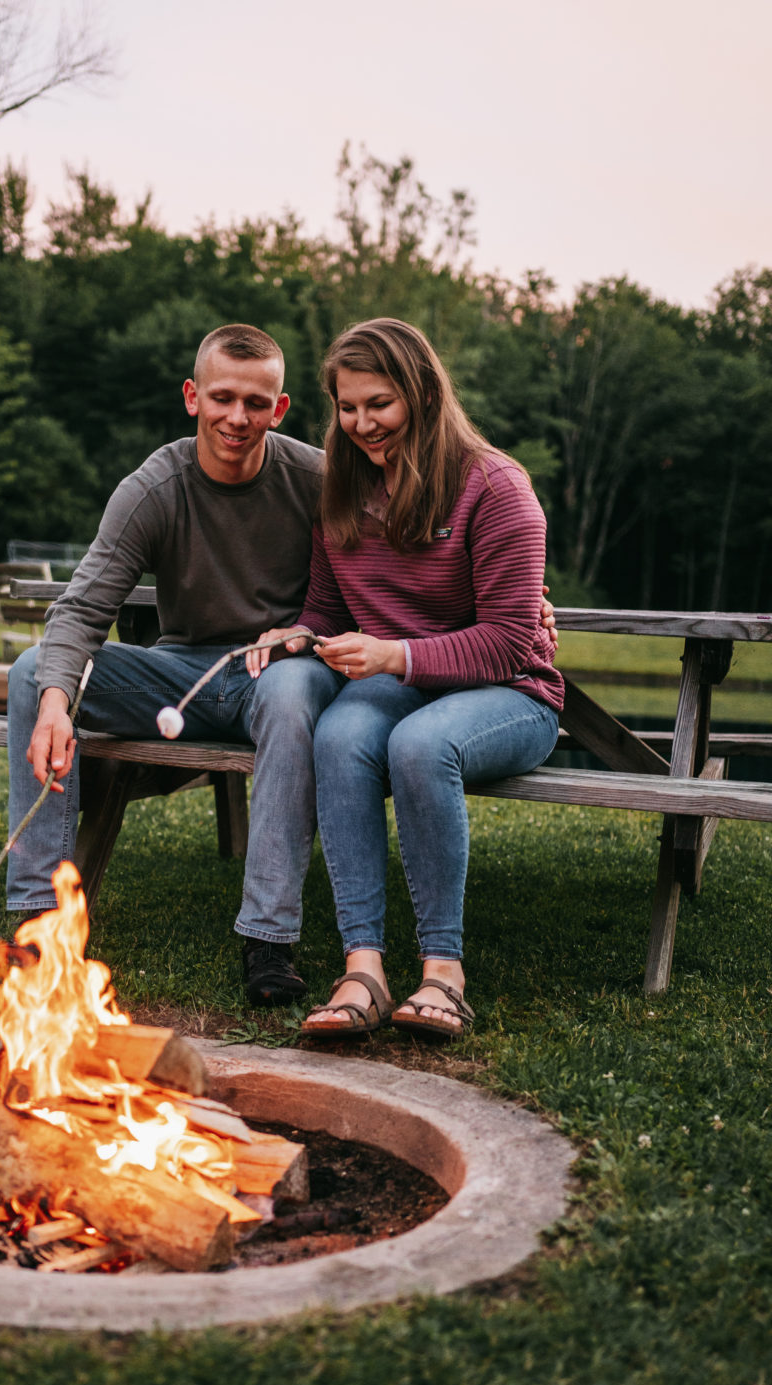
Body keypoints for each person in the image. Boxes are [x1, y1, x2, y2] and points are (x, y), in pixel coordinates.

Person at [237, 317, 563, 1040]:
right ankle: (365, 969)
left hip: (510, 696)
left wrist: (395, 656)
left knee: (418, 745)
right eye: (348, 407)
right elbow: (325, 608)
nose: (361, 424)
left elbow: (511, 643)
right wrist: (295, 634)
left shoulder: (495, 487)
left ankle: (444, 974)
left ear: (420, 393)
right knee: (343, 728)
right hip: (404, 686)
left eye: (378, 404)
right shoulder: (344, 490)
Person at [6, 323, 323, 1007]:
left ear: (281, 407)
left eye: (256, 402)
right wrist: (57, 702)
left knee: (292, 692)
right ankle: (38, 921)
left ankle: (269, 940)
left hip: (280, 676)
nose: (237, 417)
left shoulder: (316, 481)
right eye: (222, 397)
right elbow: (81, 609)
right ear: (191, 396)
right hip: (179, 674)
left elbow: (396, 572)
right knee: (35, 671)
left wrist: (306, 630)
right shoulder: (155, 486)